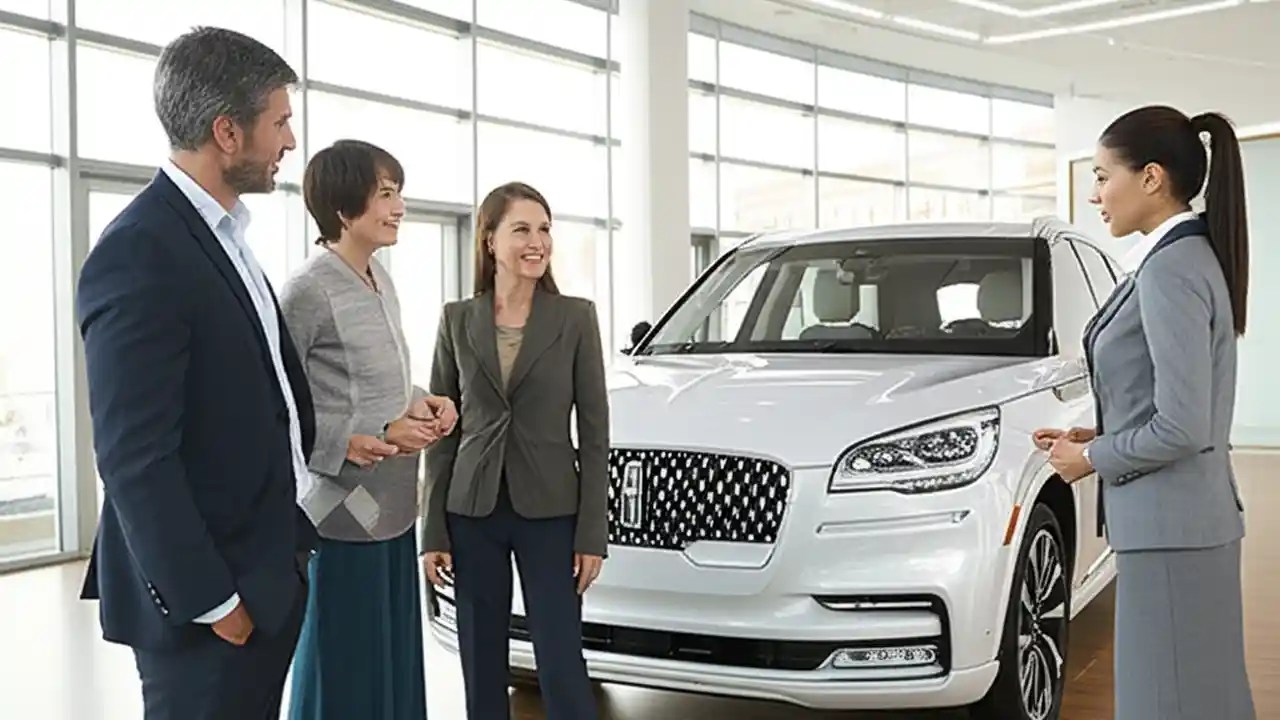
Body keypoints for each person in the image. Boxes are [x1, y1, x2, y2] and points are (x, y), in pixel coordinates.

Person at [77, 27, 317, 720]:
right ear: (227, 133)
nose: (290, 142)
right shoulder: (141, 252)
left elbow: (257, 395)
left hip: (264, 571)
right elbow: (133, 456)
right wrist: (214, 602)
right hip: (211, 605)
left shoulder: (224, 237)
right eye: (280, 122)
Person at [1036, 105, 1255, 719]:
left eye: (1104, 176)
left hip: (1172, 533)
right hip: (1181, 525)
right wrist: (1099, 433)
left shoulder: (1170, 270)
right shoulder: (1182, 259)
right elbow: (1175, 405)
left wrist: (1093, 458)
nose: (1096, 194)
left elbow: (1184, 424)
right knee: (1203, 700)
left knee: (1166, 703)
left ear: (1152, 177)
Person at [280, 139, 457, 720]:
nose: (399, 206)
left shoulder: (379, 277)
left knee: (390, 655)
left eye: (398, 192)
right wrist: (357, 436)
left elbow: (381, 384)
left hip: (393, 505)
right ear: (342, 208)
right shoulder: (307, 289)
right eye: (385, 194)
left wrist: (425, 403)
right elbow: (277, 401)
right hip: (342, 507)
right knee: (345, 657)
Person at [420, 182, 609, 719]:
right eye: (522, 229)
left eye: (544, 228)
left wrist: (592, 533)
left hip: (552, 511)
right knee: (480, 660)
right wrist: (432, 529)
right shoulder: (458, 320)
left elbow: (594, 433)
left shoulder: (575, 318)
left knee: (560, 660)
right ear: (489, 240)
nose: (537, 241)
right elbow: (442, 431)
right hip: (471, 509)